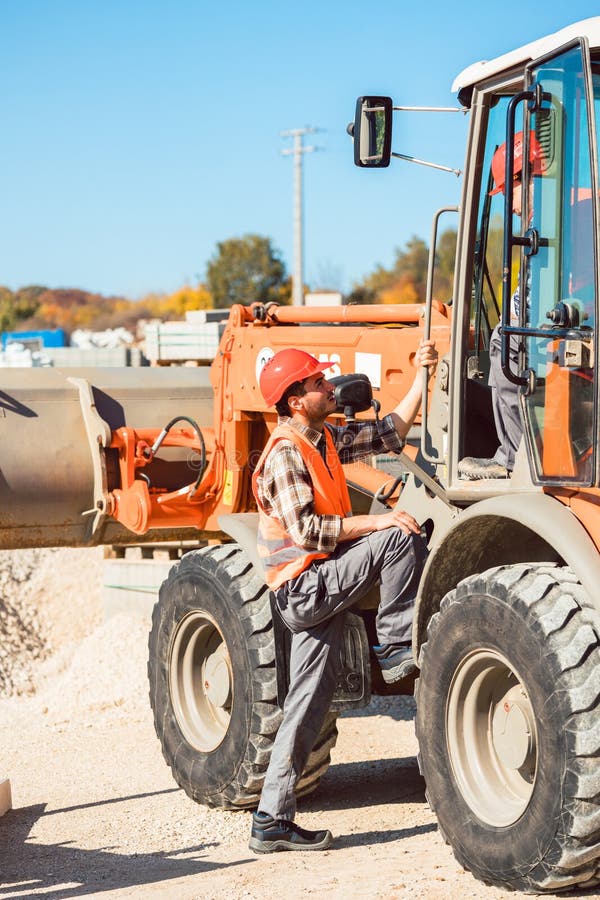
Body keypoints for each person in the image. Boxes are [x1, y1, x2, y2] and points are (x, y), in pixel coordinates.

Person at [248, 340, 438, 854]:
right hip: (304, 585)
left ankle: (270, 819)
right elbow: (308, 531)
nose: (329, 387)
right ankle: (396, 648)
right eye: (317, 384)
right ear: (294, 400)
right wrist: (377, 521)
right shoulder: (286, 452)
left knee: (306, 703)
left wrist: (422, 375)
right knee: (398, 534)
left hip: (317, 582)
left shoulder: (324, 437)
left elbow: (389, 433)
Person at [459, 131, 544, 480]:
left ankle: (512, 458)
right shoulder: (572, 211)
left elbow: (532, 300)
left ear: (528, 176)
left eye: (508, 192)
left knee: (504, 340)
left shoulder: (549, 226)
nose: (508, 204)